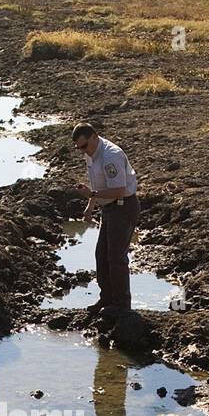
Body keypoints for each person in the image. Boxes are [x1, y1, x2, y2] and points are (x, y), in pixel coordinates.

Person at [72, 123, 140, 319]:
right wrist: (90, 206)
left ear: (94, 137)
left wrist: (91, 195)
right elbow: (99, 185)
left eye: (84, 146)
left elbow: (118, 189)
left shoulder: (111, 155)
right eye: (79, 148)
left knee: (116, 258)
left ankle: (121, 305)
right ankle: (107, 299)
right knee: (101, 255)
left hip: (123, 206)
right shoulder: (91, 153)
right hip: (110, 208)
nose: (83, 151)